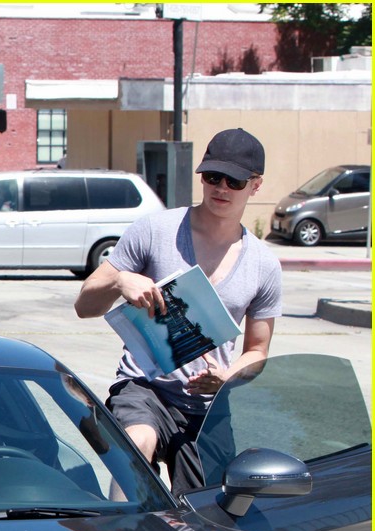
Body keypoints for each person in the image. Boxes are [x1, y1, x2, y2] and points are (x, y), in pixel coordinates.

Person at [73, 128, 281, 494]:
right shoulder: (155, 231)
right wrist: (120, 282)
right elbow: (84, 305)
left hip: (208, 404)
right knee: (137, 446)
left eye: (233, 180)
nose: (221, 188)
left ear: (255, 185)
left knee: (212, 511)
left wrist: (229, 376)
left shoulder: (263, 264)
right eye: (212, 176)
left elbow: (257, 350)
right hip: (144, 385)